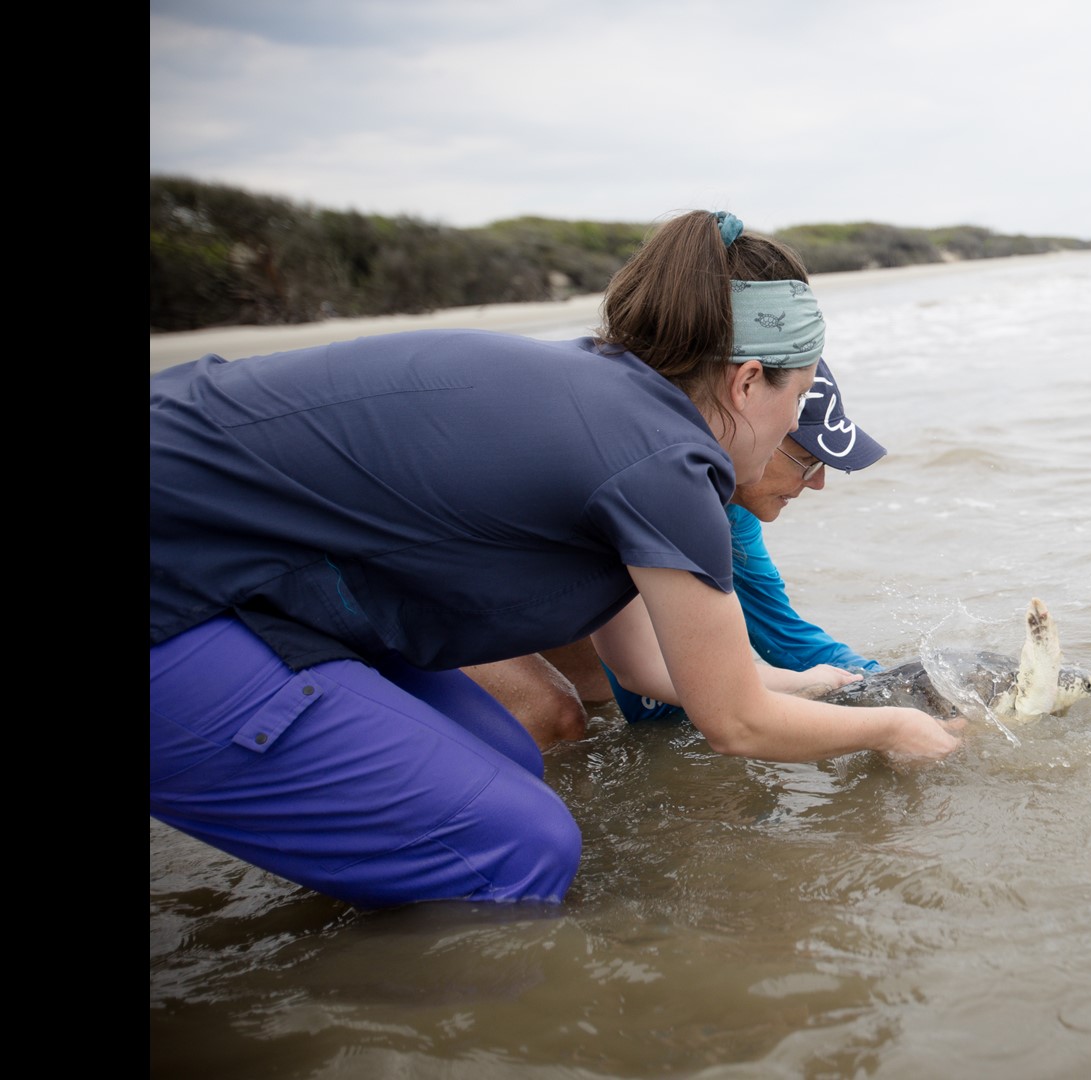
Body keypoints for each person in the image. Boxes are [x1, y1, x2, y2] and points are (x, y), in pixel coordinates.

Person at [150, 210, 964, 910]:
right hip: (178, 571)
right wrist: (892, 726)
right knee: (523, 848)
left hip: (233, 547)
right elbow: (736, 725)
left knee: (505, 761)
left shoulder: (610, 392)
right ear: (749, 382)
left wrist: (820, 684)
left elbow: (647, 665)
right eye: (799, 396)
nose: (812, 457)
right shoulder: (668, 462)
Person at [607, 356, 887, 723]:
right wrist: (797, 686)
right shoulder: (650, 488)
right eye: (808, 460)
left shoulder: (733, 510)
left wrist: (881, 682)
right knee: (559, 715)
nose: (819, 483)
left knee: (602, 687)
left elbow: (780, 630)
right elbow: (647, 685)